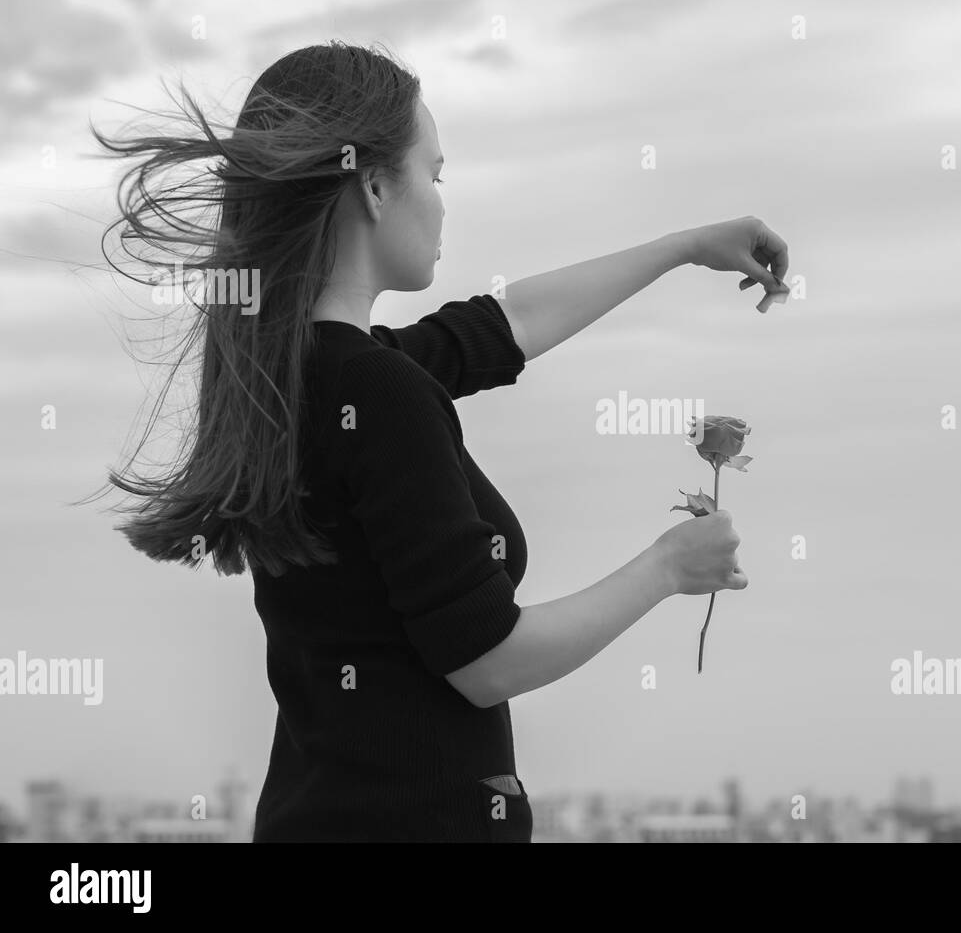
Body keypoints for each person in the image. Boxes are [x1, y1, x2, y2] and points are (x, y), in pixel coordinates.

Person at [90, 41, 790, 841]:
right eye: (436, 173)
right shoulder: (378, 391)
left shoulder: (306, 377)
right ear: (377, 186)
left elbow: (505, 326)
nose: (444, 201)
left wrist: (685, 246)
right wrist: (669, 566)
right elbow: (488, 661)